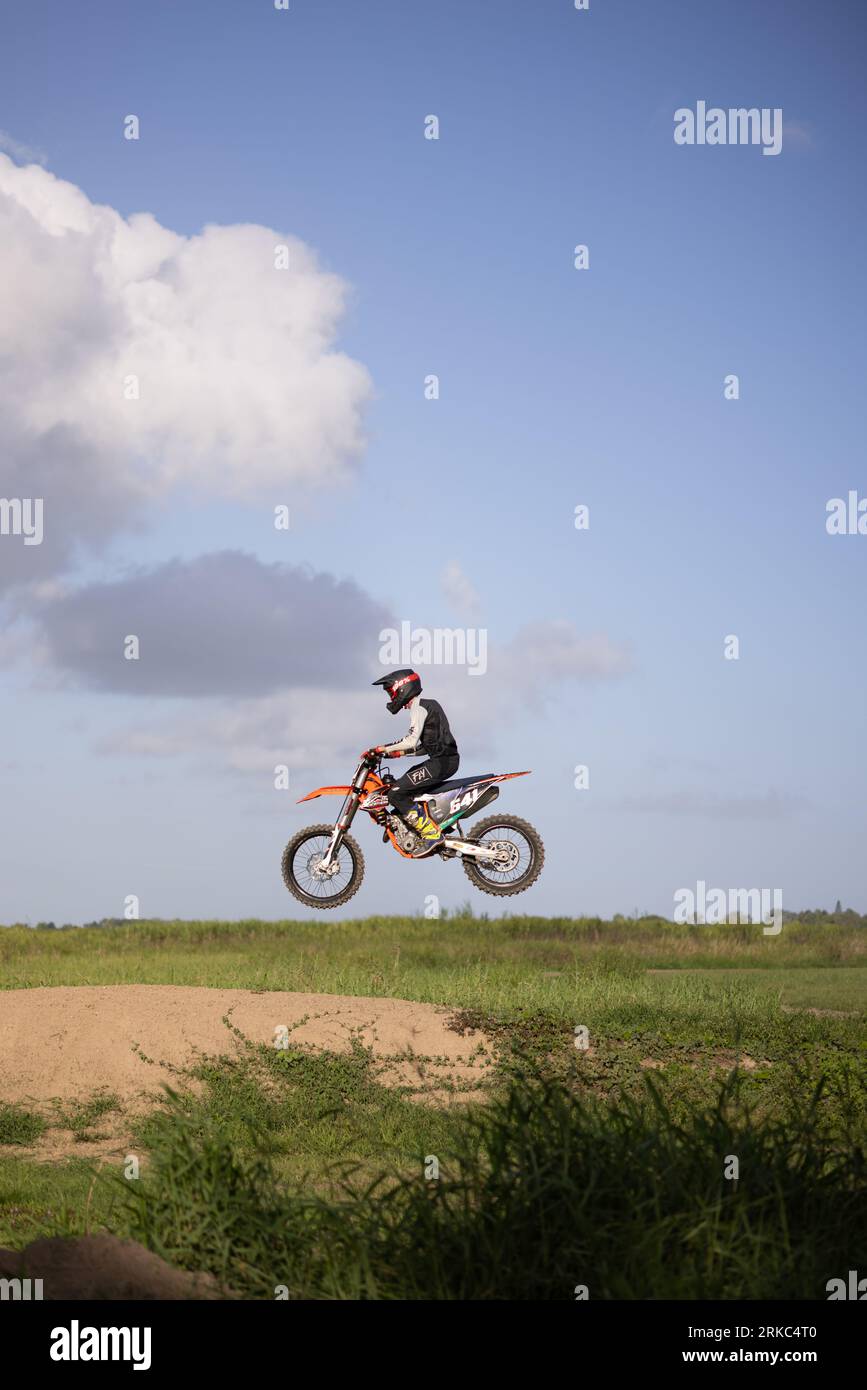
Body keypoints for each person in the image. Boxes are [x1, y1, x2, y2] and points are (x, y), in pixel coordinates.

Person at [363, 669, 459, 856]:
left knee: (396, 794)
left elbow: (410, 741)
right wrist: (395, 754)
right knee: (402, 786)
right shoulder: (426, 706)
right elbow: (424, 746)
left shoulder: (419, 706)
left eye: (392, 692)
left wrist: (381, 749)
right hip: (442, 760)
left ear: (403, 687)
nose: (391, 697)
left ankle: (431, 834)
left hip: (441, 763)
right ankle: (409, 823)